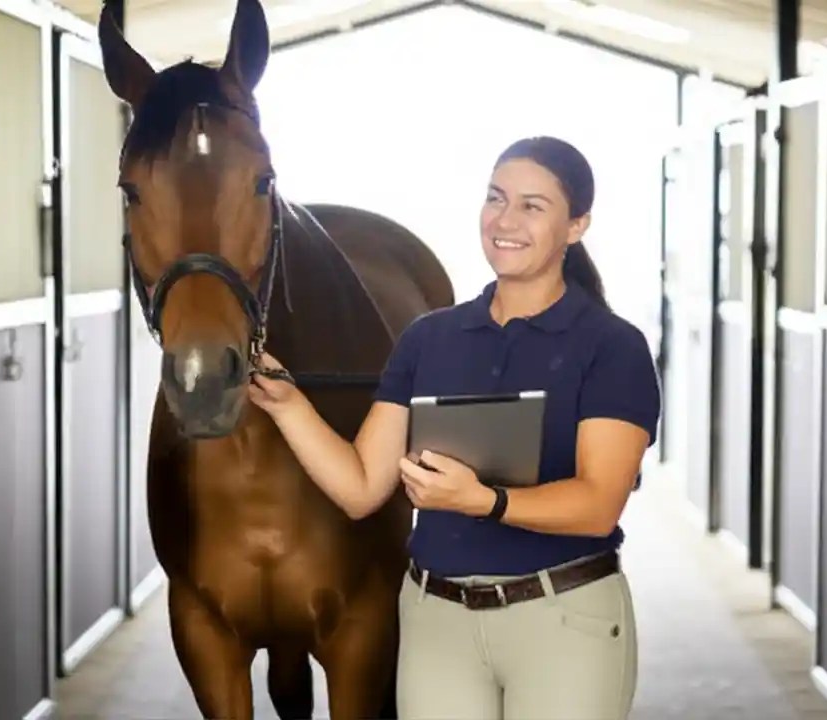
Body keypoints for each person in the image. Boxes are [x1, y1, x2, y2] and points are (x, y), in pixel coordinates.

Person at [248, 136, 661, 720]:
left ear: (577, 226)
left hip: (565, 617)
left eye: (532, 206)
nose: (505, 220)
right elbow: (362, 487)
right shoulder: (429, 337)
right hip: (436, 620)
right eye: (496, 198)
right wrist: (289, 406)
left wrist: (482, 501)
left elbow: (597, 505)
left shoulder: (612, 347)